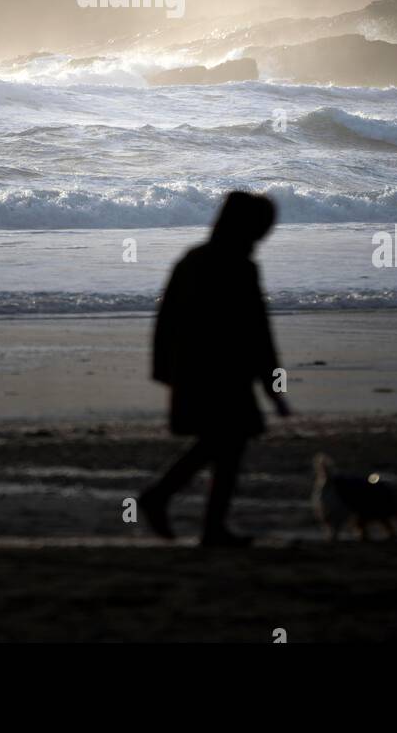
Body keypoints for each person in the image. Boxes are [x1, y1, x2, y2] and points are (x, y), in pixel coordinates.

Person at [139, 191, 289, 547]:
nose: (264, 235)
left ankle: (195, 517)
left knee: (220, 443)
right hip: (226, 374)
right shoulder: (241, 267)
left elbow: (165, 320)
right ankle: (178, 507)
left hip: (192, 370)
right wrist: (273, 388)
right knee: (226, 443)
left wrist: (163, 368)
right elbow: (257, 333)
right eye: (262, 227)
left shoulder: (192, 260)